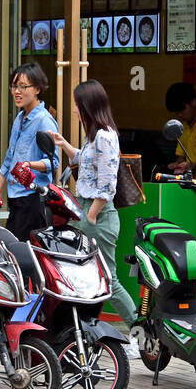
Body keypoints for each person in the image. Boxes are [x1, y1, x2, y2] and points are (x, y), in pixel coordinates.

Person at [46, 79, 140, 343]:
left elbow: (107, 184)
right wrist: (65, 145)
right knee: (84, 276)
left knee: (108, 280)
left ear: (87, 105)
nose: (74, 109)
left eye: (77, 104)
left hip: (98, 216)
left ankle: (142, 336)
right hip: (88, 213)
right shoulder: (94, 136)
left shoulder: (105, 136)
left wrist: (90, 216)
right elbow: (85, 162)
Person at [0, 63, 60, 243]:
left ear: (37, 89)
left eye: (23, 86)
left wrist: (30, 165)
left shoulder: (44, 121)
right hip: (16, 198)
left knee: (25, 256)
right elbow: (9, 159)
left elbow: (53, 163)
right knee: (13, 251)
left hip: (33, 199)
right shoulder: (19, 118)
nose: (17, 91)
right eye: (14, 86)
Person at [163, 81, 196, 179]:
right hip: (189, 180)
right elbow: (181, 155)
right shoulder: (182, 127)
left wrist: (195, 165)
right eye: (177, 113)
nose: (180, 115)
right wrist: (178, 164)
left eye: (182, 110)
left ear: (193, 102)